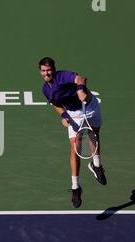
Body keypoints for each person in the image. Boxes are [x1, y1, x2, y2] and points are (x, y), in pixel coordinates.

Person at [38, 57, 107, 208]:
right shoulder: (45, 89)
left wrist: (80, 90)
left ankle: (96, 165)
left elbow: (80, 78)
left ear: (54, 70)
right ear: (40, 72)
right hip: (74, 114)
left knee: (94, 135)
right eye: (43, 71)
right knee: (76, 149)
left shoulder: (62, 76)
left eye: (48, 70)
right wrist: (63, 116)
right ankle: (76, 187)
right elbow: (55, 104)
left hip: (91, 107)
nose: (46, 73)